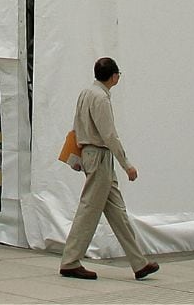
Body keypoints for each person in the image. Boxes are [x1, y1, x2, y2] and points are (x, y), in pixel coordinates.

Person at [59, 57, 159, 281]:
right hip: (100, 156)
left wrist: (78, 157)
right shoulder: (101, 98)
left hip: (91, 154)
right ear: (114, 76)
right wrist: (127, 165)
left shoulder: (86, 93)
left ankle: (138, 262)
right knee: (89, 210)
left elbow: (76, 125)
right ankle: (70, 261)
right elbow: (109, 135)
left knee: (117, 212)